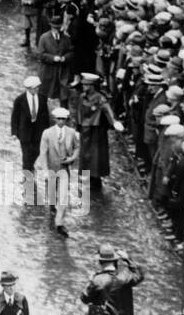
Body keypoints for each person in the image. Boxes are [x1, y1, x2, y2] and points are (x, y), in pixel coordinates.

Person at [75, 73, 124, 191]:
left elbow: (107, 109)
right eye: (83, 84)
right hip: (86, 131)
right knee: (85, 154)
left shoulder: (100, 98)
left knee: (97, 156)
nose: (84, 86)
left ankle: (96, 179)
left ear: (92, 86)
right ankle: (87, 177)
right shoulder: (82, 97)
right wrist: (77, 129)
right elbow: (79, 113)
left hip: (97, 131)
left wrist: (114, 122)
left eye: (86, 85)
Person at [37, 108, 79, 237]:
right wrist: (44, 170)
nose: (61, 121)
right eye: (59, 119)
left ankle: (59, 224)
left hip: (64, 169)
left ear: (67, 120)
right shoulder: (47, 133)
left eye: (63, 119)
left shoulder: (72, 133)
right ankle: (51, 209)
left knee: (63, 197)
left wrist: (71, 158)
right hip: (50, 168)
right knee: (51, 195)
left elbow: (77, 147)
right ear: (54, 119)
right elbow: (43, 153)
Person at [10, 75, 49, 190]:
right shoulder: (19, 100)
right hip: (24, 133)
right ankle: (27, 177)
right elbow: (14, 117)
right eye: (35, 88)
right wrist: (14, 132)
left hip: (39, 132)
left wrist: (47, 131)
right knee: (26, 155)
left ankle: (30, 168)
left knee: (37, 152)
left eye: (38, 87)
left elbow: (45, 116)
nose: (37, 90)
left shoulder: (42, 98)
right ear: (29, 88)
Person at [36, 16, 73, 108]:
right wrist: (53, 58)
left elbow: (71, 52)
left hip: (61, 72)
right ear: (51, 27)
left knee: (64, 94)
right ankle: (41, 113)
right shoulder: (44, 38)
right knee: (43, 93)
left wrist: (65, 58)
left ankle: (64, 114)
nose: (56, 29)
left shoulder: (66, 38)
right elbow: (40, 55)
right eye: (54, 27)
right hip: (47, 71)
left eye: (58, 27)